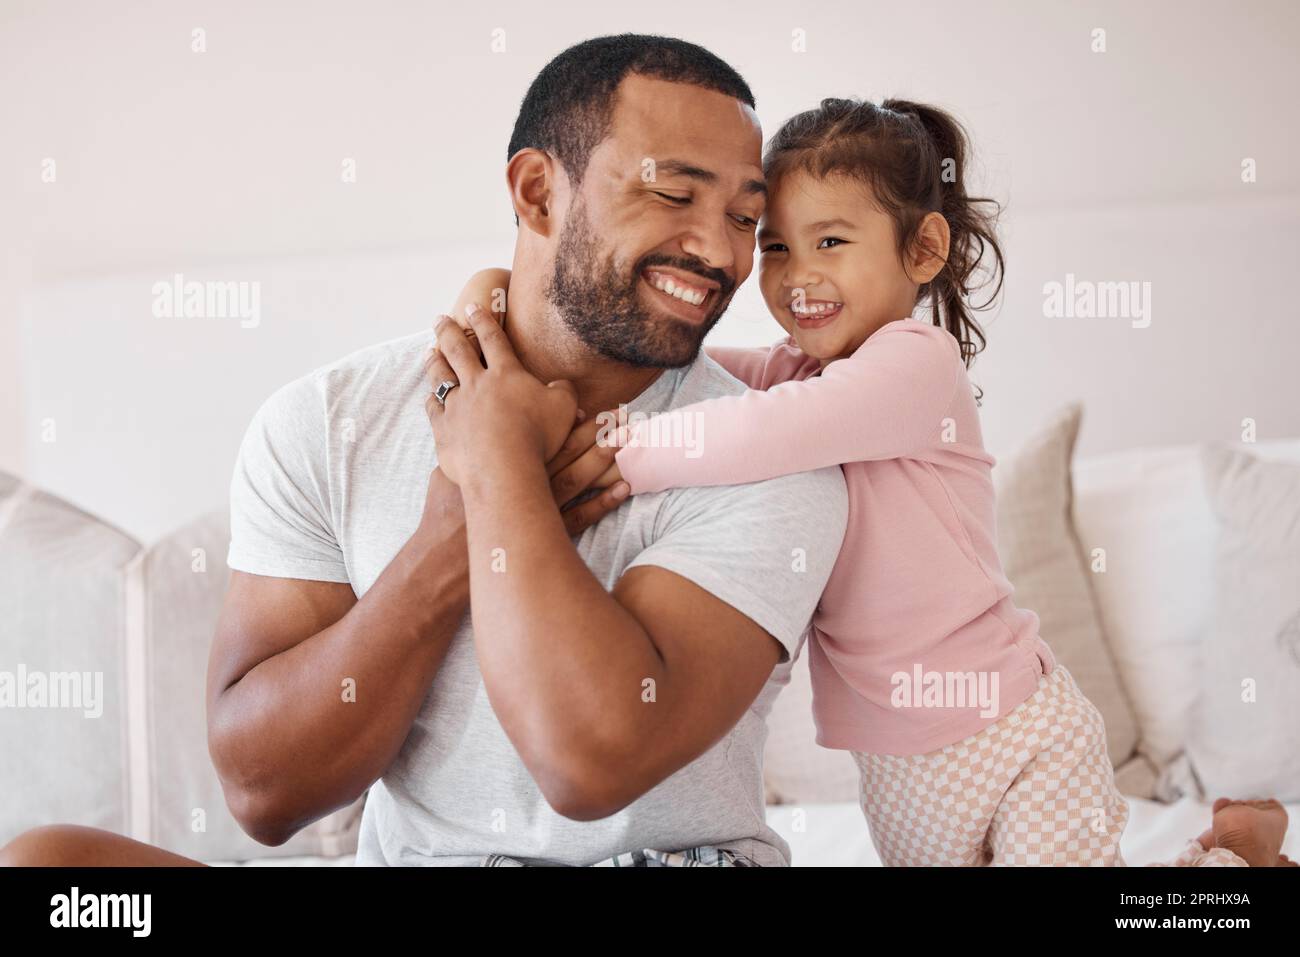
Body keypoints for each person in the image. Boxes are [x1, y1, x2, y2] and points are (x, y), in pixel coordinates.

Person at [0, 34, 848, 868]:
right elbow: (264, 795)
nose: (719, 251)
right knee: (49, 866)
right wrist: (456, 527)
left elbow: (589, 762)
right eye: (674, 195)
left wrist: (502, 470)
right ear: (537, 192)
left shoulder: (769, 455)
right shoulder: (327, 422)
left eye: (745, 216)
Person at [446, 95, 1296, 868]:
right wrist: (501, 306)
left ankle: (1233, 872)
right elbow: (679, 375)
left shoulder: (913, 366)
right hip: (894, 767)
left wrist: (608, 448)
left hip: (1012, 733)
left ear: (922, 250)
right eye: (775, 247)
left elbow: (755, 430)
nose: (797, 276)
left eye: (831, 243)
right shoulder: (796, 369)